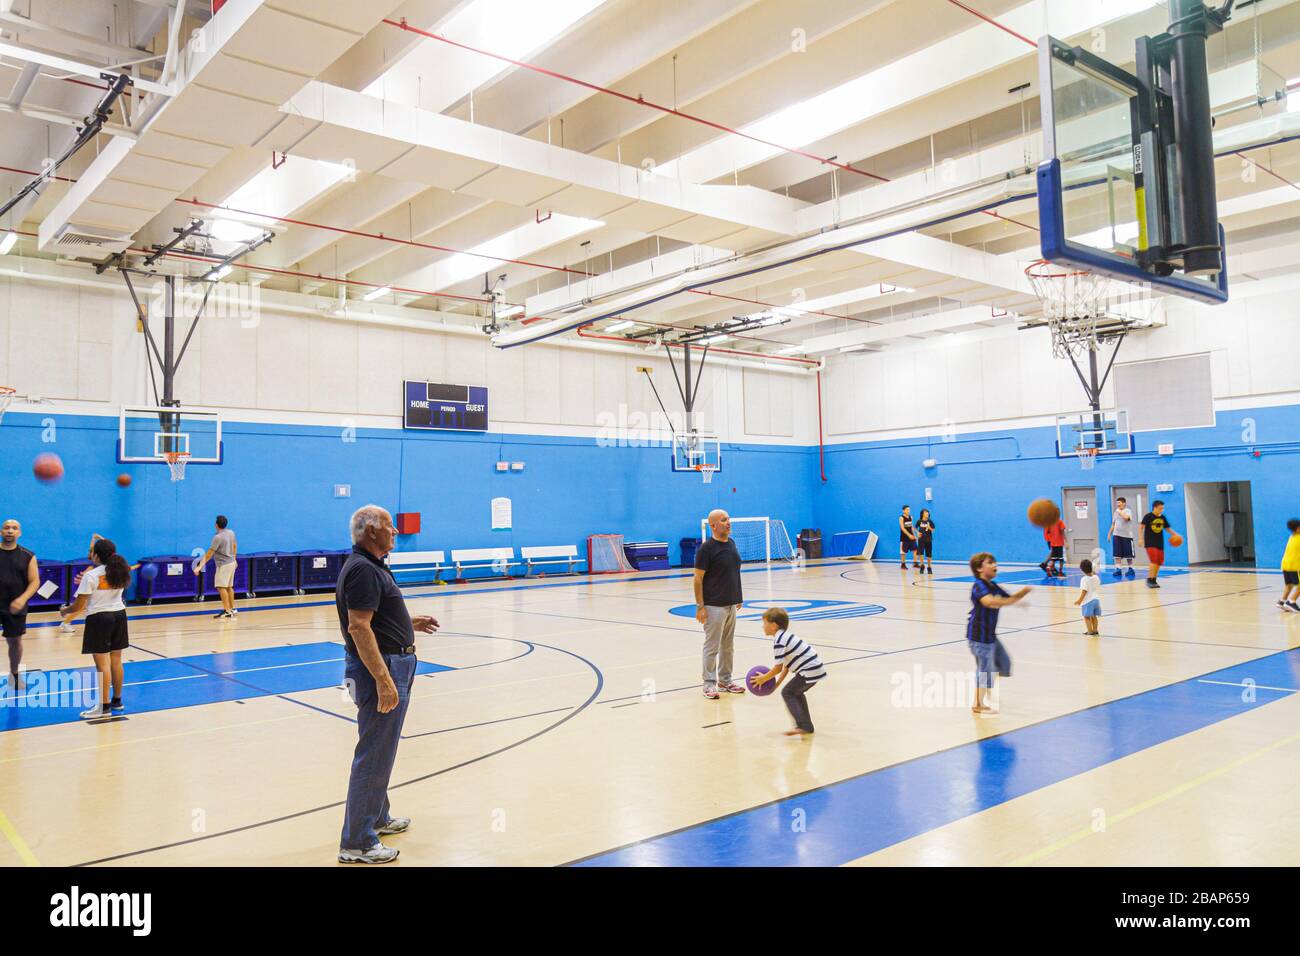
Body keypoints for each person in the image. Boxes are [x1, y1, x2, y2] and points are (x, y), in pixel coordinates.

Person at [337, 505, 438, 864]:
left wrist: (408, 622)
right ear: (370, 532)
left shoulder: (372, 566)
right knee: (375, 753)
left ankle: (377, 817)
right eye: (389, 527)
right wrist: (383, 679)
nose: (395, 531)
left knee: (383, 748)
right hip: (382, 668)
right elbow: (359, 627)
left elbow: (375, 616)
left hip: (394, 662)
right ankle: (357, 843)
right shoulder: (363, 570)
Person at [60, 538, 132, 719]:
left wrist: (64, 610)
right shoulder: (121, 569)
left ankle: (104, 706)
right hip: (119, 616)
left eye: (92, 551)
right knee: (116, 660)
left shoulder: (91, 576)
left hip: (100, 619)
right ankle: (117, 701)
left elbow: (78, 607)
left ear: (96, 555)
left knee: (102, 664)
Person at [967, 552, 1029, 716]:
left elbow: (1011, 598)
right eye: (990, 562)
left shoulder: (993, 586)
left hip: (990, 635)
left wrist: (1023, 593)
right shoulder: (979, 585)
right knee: (985, 669)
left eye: (995, 562)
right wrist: (1007, 602)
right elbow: (988, 601)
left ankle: (987, 690)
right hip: (978, 636)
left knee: (1004, 663)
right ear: (980, 568)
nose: (995, 565)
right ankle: (978, 704)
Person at [748, 607, 826, 736]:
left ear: (773, 626)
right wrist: (776, 685)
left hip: (809, 669)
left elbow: (778, 668)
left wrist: (763, 679)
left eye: (764, 623)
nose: (763, 627)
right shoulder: (784, 636)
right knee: (796, 693)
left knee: (788, 692)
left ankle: (801, 726)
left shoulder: (779, 640)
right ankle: (806, 726)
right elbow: (786, 666)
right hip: (815, 669)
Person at [695, 509, 746, 699]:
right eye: (724, 520)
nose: (728, 522)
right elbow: (698, 579)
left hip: (731, 603)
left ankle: (725, 680)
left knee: (728, 646)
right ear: (713, 526)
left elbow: (733, 571)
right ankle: (709, 684)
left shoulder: (731, 543)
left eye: (728, 519)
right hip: (713, 606)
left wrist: (738, 596)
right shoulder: (706, 549)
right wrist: (701, 606)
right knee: (712, 646)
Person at [0, 518, 40, 691]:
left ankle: (15, 675)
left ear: (19, 533)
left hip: (15, 607)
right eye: (6, 527)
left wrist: (22, 599)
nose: (10, 530)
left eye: (14, 528)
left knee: (15, 642)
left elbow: (34, 581)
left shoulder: (28, 555)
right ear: (1, 531)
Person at [197, 515, 238, 619]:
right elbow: (235, 545)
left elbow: (209, 553)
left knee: (221, 587)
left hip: (223, 564)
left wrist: (199, 566)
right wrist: (235, 558)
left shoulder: (217, 537)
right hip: (232, 562)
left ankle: (227, 610)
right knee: (229, 587)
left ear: (216, 525)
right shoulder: (231, 532)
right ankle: (232, 609)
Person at [1139, 500, 1177, 589]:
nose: (1162, 510)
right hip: (1150, 542)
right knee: (1154, 560)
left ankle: (1154, 580)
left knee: (1159, 562)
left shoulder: (1162, 517)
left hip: (1159, 542)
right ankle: (1149, 579)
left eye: (1162, 508)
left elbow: (1167, 528)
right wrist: (1140, 538)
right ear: (1155, 507)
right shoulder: (1148, 516)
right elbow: (1141, 527)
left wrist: (1175, 534)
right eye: (1160, 508)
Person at [1108, 496, 1137, 577]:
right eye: (1117, 503)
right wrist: (1109, 534)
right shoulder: (1115, 512)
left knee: (1129, 554)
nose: (1118, 505)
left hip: (1127, 536)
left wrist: (1119, 512)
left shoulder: (1128, 511)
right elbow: (1113, 524)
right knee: (1117, 554)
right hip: (1117, 535)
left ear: (1124, 503)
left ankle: (1131, 569)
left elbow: (1126, 518)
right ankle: (1118, 569)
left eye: (1119, 503)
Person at [1074, 558, 1102, 636]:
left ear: (1082, 570)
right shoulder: (1096, 577)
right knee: (1094, 617)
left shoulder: (1084, 579)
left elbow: (1084, 591)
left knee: (1086, 617)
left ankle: (1090, 631)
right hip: (1096, 600)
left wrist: (1079, 600)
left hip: (1088, 601)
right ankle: (1095, 630)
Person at [1279, 518, 1300, 612]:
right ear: (1298, 529)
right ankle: (1291, 601)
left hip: (1285, 565)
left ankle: (1281, 601)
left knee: (1289, 585)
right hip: (1294, 566)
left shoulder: (1292, 537)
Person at [899, 505, 919, 569]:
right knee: (903, 552)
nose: (908, 511)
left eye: (909, 509)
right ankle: (903, 564)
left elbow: (911, 527)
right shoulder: (901, 518)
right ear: (903, 510)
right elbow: (902, 528)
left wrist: (914, 535)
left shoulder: (911, 517)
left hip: (911, 537)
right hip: (904, 537)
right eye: (907, 509)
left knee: (915, 550)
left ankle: (915, 563)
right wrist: (909, 535)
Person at [916, 509, 935, 574]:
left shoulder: (930, 521)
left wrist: (929, 527)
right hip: (921, 540)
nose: (927, 513)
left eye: (928, 512)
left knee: (929, 554)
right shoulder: (919, 521)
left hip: (928, 540)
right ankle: (922, 565)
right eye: (926, 512)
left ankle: (929, 567)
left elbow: (933, 530)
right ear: (922, 514)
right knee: (921, 553)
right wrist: (917, 533)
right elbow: (915, 527)